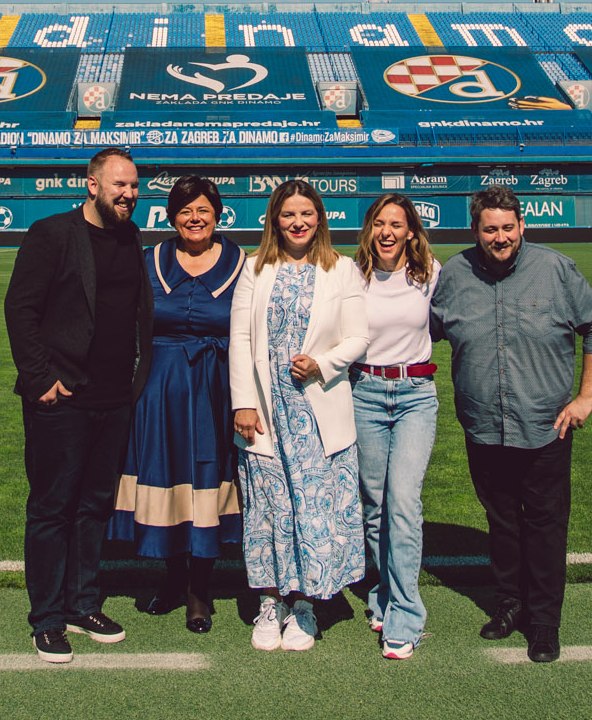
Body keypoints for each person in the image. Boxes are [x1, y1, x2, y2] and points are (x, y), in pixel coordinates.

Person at [431, 184, 592, 663]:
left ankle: (544, 622)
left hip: (545, 426)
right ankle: (509, 604)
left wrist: (586, 398)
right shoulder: (454, 274)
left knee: (546, 526)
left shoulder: (555, 269)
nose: (501, 237)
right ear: (475, 230)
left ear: (522, 226)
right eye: (490, 229)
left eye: (508, 228)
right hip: (483, 425)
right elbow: (422, 331)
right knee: (502, 521)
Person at [3, 148, 153, 664]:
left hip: (114, 398)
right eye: (119, 185)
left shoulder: (131, 236)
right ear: (92, 185)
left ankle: (82, 604)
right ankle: (46, 619)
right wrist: (40, 378)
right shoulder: (52, 233)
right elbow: (20, 308)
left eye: (134, 185)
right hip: (62, 400)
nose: (129, 194)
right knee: (52, 509)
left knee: (94, 507)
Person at [229, 179, 369, 652]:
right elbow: (240, 339)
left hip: (317, 412)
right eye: (288, 214)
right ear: (275, 219)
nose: (298, 222)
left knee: (314, 511)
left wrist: (322, 364)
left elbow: (358, 337)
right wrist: (243, 402)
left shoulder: (342, 269)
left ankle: (307, 605)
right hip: (267, 413)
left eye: (306, 213)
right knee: (269, 510)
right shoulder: (255, 269)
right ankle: (271, 602)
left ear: (319, 218)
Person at [109, 176, 244, 634]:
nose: (195, 218)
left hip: (216, 389)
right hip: (159, 388)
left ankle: (199, 590)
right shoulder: (149, 260)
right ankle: (171, 578)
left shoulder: (243, 264)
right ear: (171, 217)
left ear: (218, 214)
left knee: (206, 481)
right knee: (165, 480)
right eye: (185, 211)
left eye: (203, 209)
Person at [350, 194, 441, 660]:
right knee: (374, 504)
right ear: (369, 228)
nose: (387, 232)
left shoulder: (430, 273)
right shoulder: (353, 276)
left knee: (403, 502)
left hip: (414, 397)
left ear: (410, 231)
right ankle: (383, 591)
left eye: (396, 224)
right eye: (379, 223)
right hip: (363, 394)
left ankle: (406, 615)